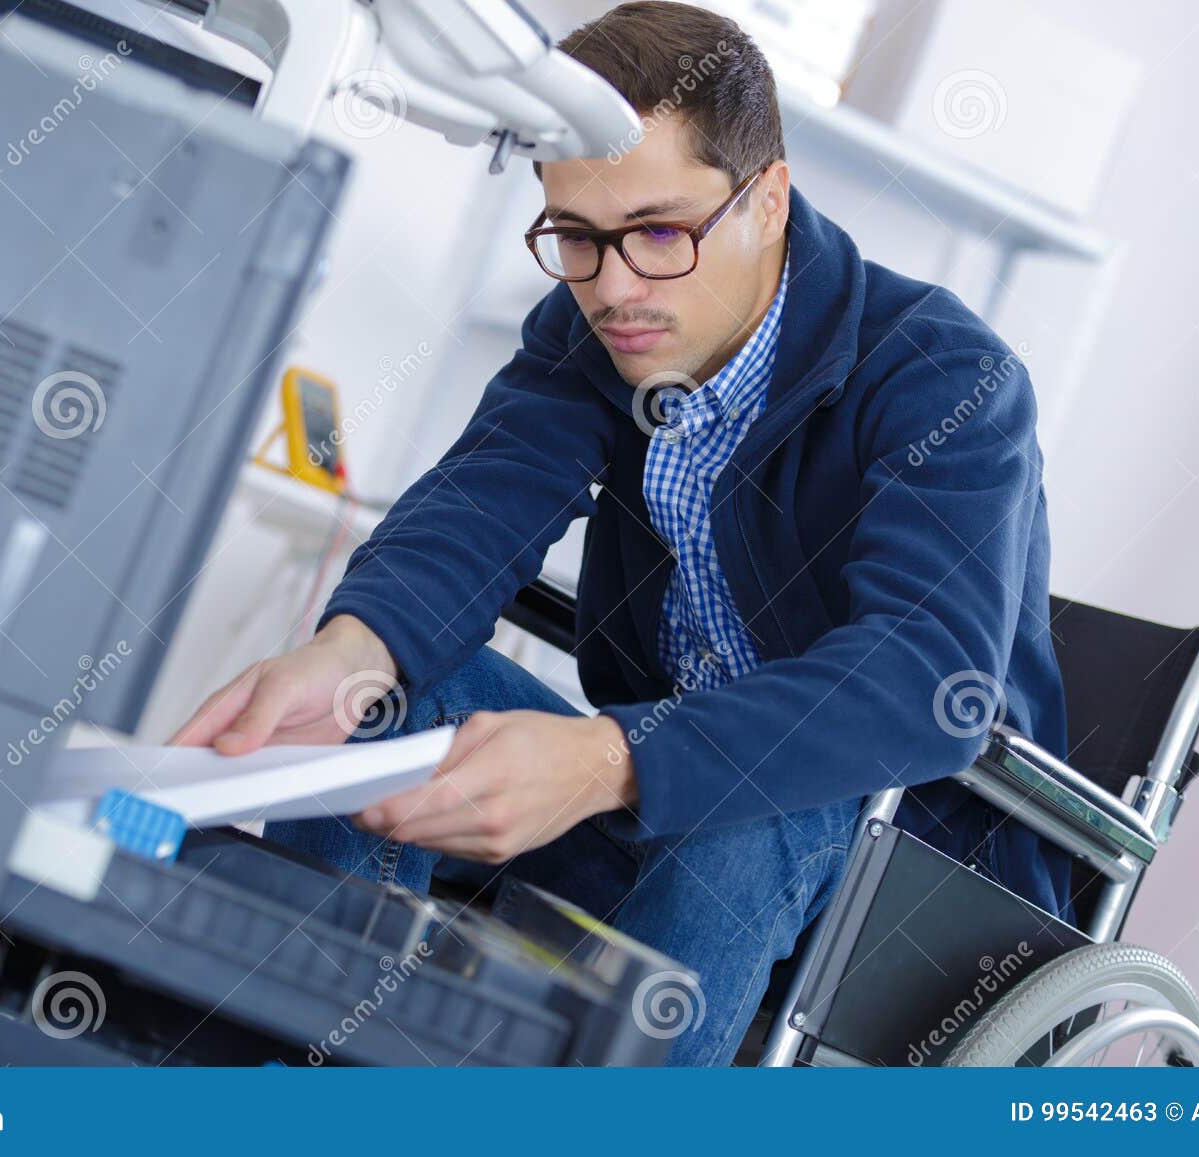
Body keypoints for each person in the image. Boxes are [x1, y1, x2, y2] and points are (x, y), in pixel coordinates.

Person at [172, 0, 1069, 1066]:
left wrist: (609, 755)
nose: (614, 288)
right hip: (664, 815)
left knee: (744, 820)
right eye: (576, 238)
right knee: (389, 698)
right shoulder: (598, 326)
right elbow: (482, 499)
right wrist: (349, 650)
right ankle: (312, 1070)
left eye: (657, 232)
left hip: (901, 882)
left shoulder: (941, 375)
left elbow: (922, 676)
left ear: (768, 199)